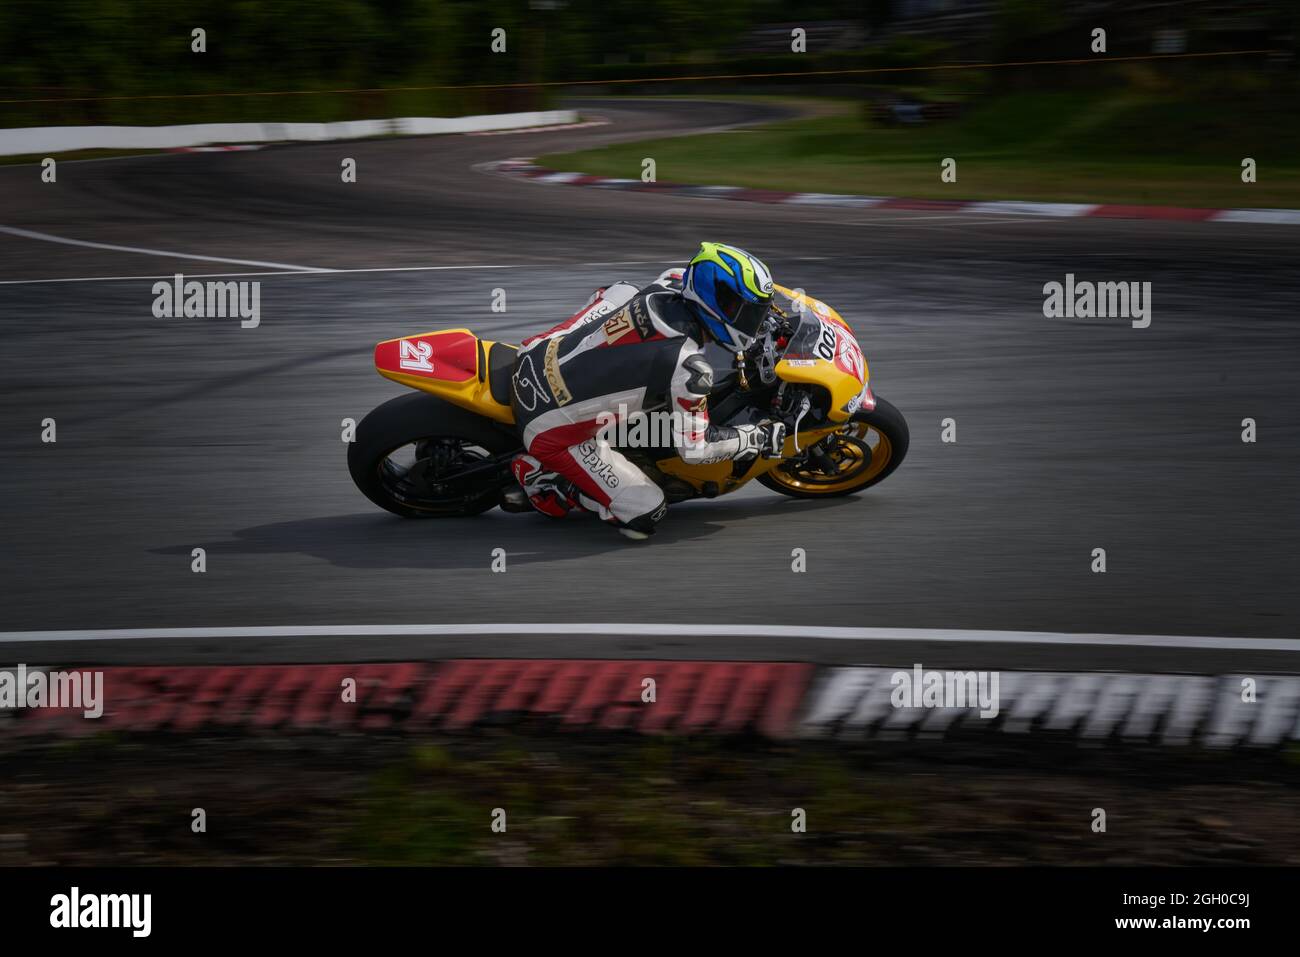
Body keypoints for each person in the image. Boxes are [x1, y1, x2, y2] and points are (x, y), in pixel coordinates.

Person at [503, 242, 787, 540]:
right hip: (547, 424)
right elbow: (695, 450)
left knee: (623, 290)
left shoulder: (673, 280)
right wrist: (754, 438)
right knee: (646, 510)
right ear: (714, 298)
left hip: (536, 352)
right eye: (745, 312)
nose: (751, 322)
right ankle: (549, 481)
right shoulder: (688, 365)